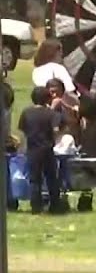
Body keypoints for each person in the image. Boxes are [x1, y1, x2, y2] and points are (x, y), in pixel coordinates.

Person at [18, 86, 62, 214]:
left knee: (34, 179)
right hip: (47, 149)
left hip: (32, 149)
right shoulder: (51, 113)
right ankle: (54, 205)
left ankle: (36, 207)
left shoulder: (26, 112)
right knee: (51, 178)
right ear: (47, 99)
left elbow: (23, 130)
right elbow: (56, 130)